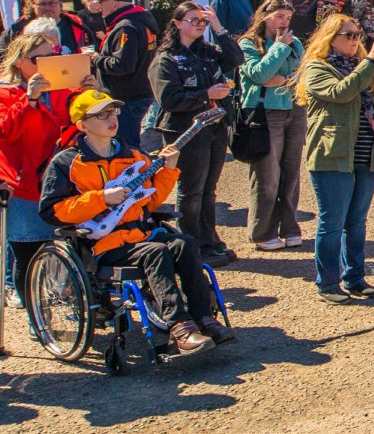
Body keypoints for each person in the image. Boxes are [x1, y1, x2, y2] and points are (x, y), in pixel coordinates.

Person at [41, 89, 236, 353]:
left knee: (184, 244)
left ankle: (204, 318)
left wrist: (169, 169)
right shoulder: (66, 162)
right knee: (156, 253)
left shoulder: (133, 155)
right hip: (102, 244)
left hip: (140, 234)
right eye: (102, 115)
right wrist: (101, 198)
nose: (112, 119)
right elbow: (53, 211)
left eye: (113, 112)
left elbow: (150, 202)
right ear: (82, 124)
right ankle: (179, 326)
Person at [295, 16, 374, 303]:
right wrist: (371, 63)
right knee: (332, 222)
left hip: (365, 154)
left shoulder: (361, 67)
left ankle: (354, 278)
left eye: (358, 36)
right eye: (349, 35)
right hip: (333, 155)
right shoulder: (318, 68)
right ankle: (327, 284)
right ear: (331, 37)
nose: (356, 41)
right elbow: (340, 93)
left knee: (356, 221)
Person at [1, 33, 98, 318]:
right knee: (29, 255)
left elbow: (94, 124)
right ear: (20, 63)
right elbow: (6, 132)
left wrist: (91, 94)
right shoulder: (6, 92)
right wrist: (29, 99)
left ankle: (72, 303)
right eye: (37, 58)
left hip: (65, 181)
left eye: (52, 56)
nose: (46, 63)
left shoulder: (64, 90)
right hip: (24, 186)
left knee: (75, 247)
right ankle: (37, 316)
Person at [149, 2, 244, 268]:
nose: (199, 26)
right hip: (185, 129)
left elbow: (236, 58)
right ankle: (192, 245)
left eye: (202, 22)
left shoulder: (207, 51)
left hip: (214, 126)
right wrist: (206, 95)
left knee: (208, 189)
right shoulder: (166, 58)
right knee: (191, 189)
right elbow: (168, 98)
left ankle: (209, 239)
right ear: (177, 23)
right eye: (193, 21)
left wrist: (218, 26)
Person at [238, 0, 308, 251]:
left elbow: (299, 75)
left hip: (294, 110)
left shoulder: (296, 42)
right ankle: (262, 231)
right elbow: (259, 75)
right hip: (265, 114)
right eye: (279, 16)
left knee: (291, 173)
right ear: (264, 16)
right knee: (267, 174)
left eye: (288, 18)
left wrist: (282, 78)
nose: (284, 22)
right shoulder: (248, 43)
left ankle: (289, 226)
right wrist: (277, 49)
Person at [92, 0, 160, 153]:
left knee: (126, 146)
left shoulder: (126, 27)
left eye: (103, 3)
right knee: (128, 142)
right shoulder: (140, 21)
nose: (100, 7)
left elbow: (123, 65)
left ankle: (134, 176)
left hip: (128, 97)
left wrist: (95, 59)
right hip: (138, 92)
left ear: (114, 4)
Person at [1, 0, 97, 54]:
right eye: (42, 4)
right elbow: (3, 52)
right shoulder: (19, 28)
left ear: (60, 5)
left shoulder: (76, 24)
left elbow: (91, 50)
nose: (48, 8)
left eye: (52, 3)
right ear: (33, 6)